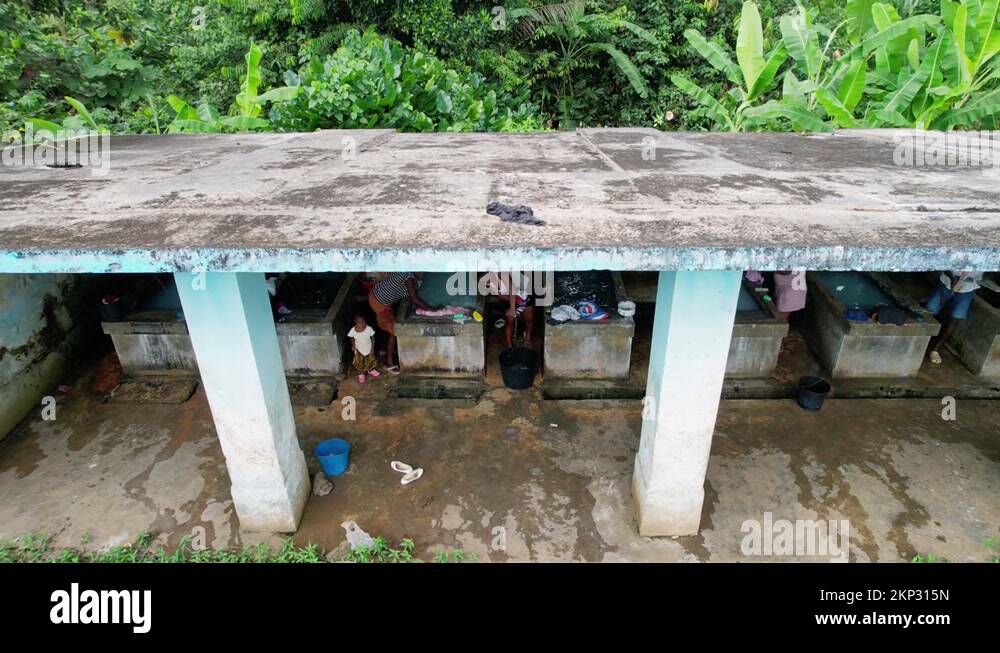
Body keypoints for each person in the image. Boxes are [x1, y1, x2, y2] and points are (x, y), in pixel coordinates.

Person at [368, 272, 433, 373]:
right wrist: (432, 310)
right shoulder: (408, 277)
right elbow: (414, 299)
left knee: (387, 326)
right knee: (395, 331)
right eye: (421, 272)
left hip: (382, 297)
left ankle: (383, 350)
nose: (423, 274)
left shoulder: (413, 276)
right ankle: (388, 363)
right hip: (379, 301)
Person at [923, 270, 983, 364]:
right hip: (946, 282)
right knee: (930, 309)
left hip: (967, 288)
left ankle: (936, 349)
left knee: (955, 317)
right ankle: (922, 340)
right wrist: (952, 277)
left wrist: (963, 279)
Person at [482, 271, 534, 349]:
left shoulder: (501, 273)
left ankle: (528, 336)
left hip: (523, 290)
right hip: (511, 296)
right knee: (509, 320)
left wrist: (513, 308)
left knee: (529, 318)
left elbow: (512, 289)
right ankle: (509, 347)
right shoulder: (487, 283)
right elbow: (500, 296)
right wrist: (513, 305)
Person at [347, 314, 380, 384]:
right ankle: (361, 374)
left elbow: (373, 338)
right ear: (355, 322)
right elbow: (352, 338)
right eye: (359, 322)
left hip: (368, 348)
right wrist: (353, 345)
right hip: (359, 349)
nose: (362, 324)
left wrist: (372, 348)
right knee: (359, 362)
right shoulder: (353, 330)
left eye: (363, 322)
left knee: (370, 360)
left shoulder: (369, 328)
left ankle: (371, 370)